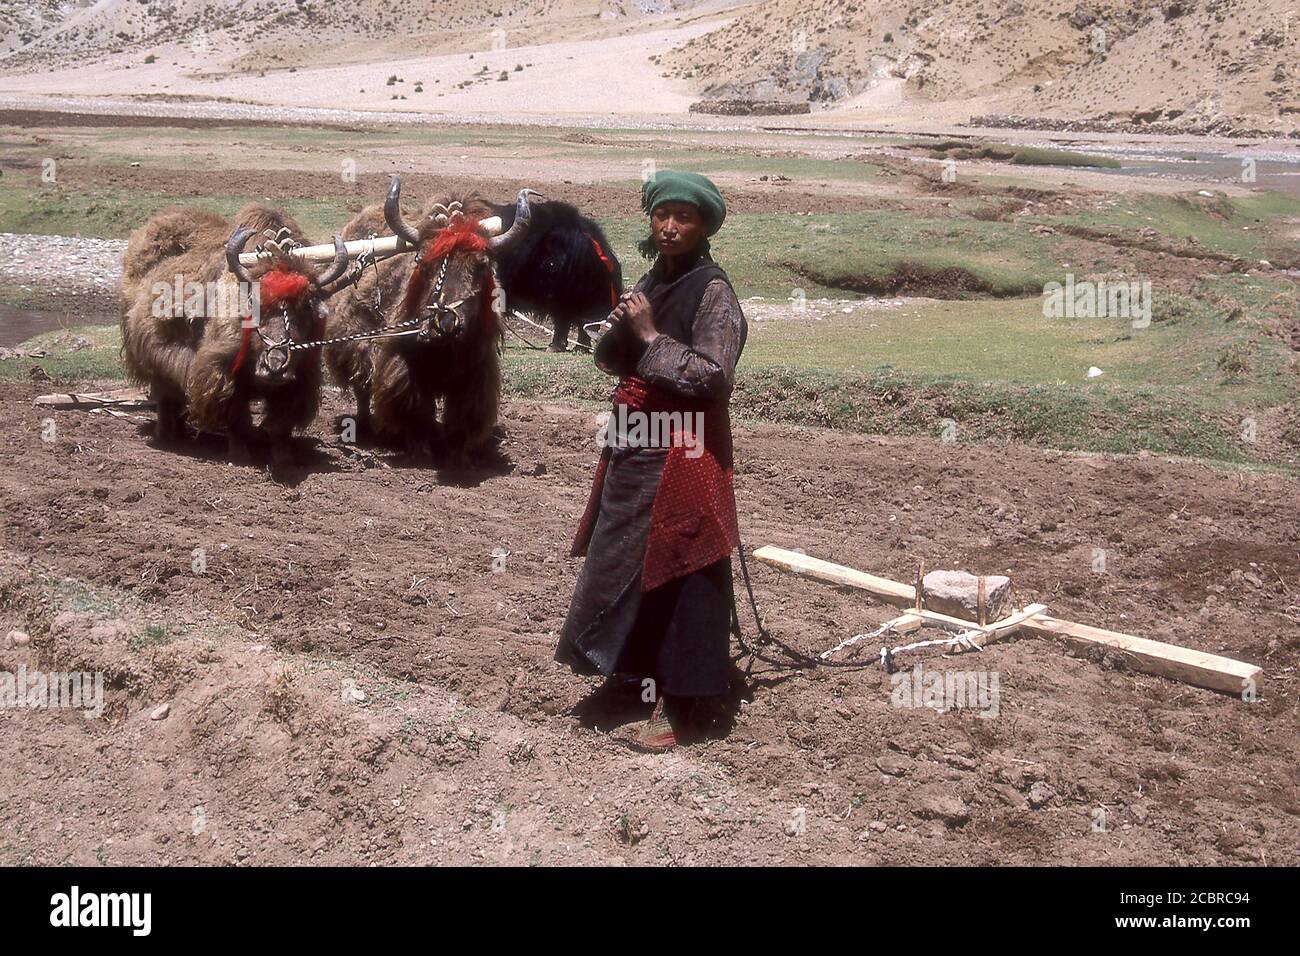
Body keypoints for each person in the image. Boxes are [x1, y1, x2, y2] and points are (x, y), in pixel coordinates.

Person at [555, 171, 747, 751]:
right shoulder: (653, 279)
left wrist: (648, 335)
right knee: (621, 563)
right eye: (662, 214)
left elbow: (714, 377)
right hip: (635, 445)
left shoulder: (714, 293)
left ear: (704, 226)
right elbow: (619, 361)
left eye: (684, 217)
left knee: (676, 567)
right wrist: (621, 334)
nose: (669, 226)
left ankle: (684, 705)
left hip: (682, 450)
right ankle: (629, 679)